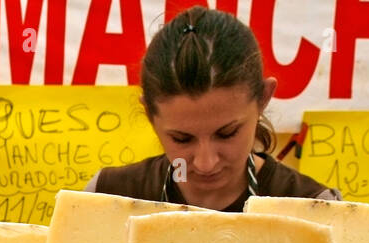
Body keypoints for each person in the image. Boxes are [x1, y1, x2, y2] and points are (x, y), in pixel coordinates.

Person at [86, 7, 339, 211]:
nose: (206, 163)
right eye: (182, 139)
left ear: (263, 98)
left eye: (227, 133)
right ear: (150, 115)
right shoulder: (106, 198)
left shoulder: (316, 210)